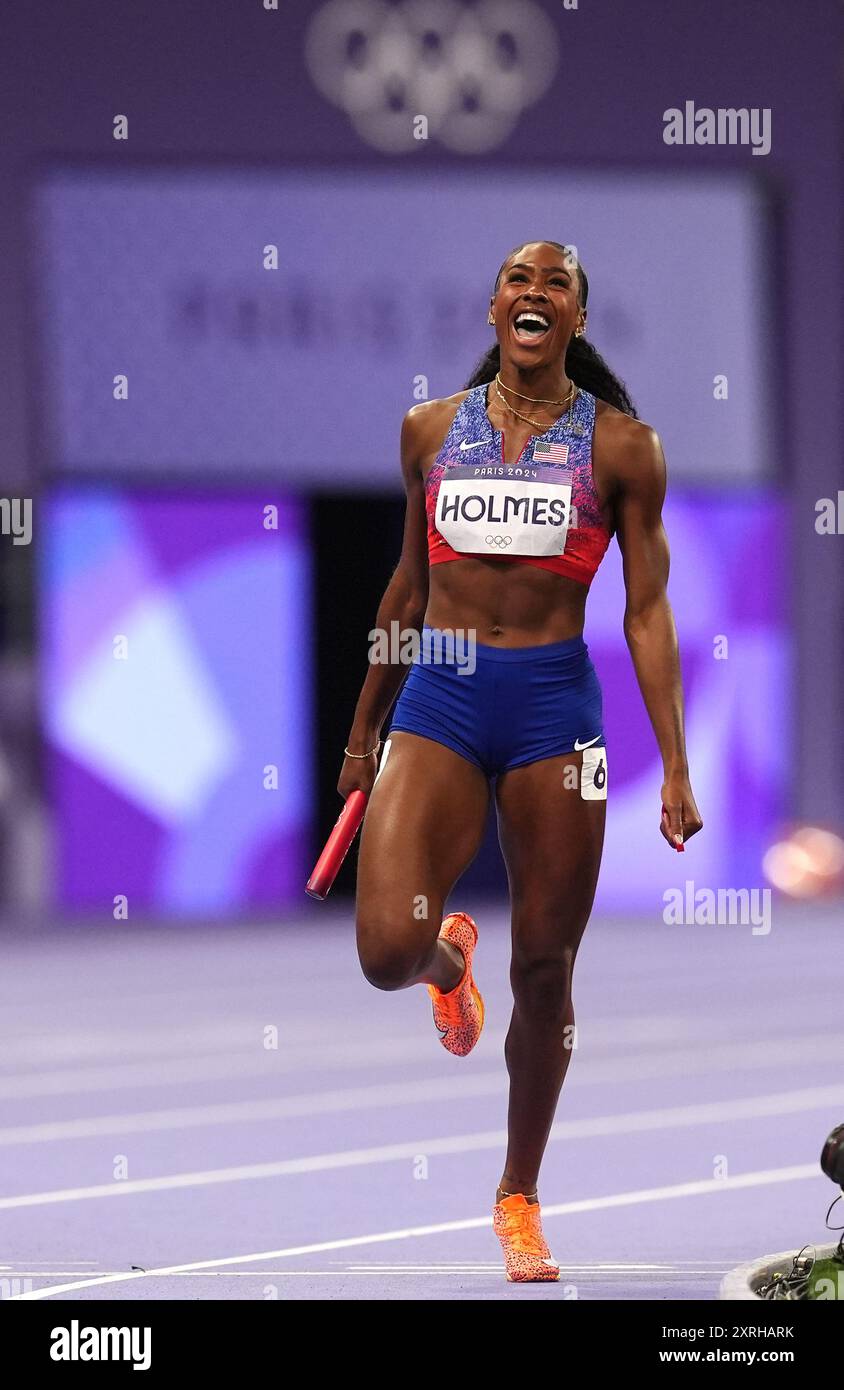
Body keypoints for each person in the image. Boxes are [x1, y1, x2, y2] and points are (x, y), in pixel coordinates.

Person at [338, 241, 702, 1282]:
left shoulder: (624, 449)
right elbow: (406, 594)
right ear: (493, 306)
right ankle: (447, 964)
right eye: (518, 280)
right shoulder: (427, 431)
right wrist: (363, 731)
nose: (533, 294)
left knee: (544, 969)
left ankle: (517, 1197)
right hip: (442, 695)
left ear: (575, 323)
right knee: (383, 952)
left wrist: (673, 762)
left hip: (551, 714)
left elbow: (643, 611)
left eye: (556, 286)